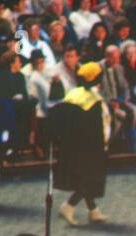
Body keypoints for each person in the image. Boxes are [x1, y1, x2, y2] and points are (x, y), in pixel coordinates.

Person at [49, 60, 110, 225]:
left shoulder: (72, 94)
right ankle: (68, 206)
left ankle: (93, 211)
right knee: (90, 178)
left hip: (71, 146)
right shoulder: (95, 100)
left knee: (82, 176)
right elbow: (103, 125)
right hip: (91, 147)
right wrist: (105, 144)